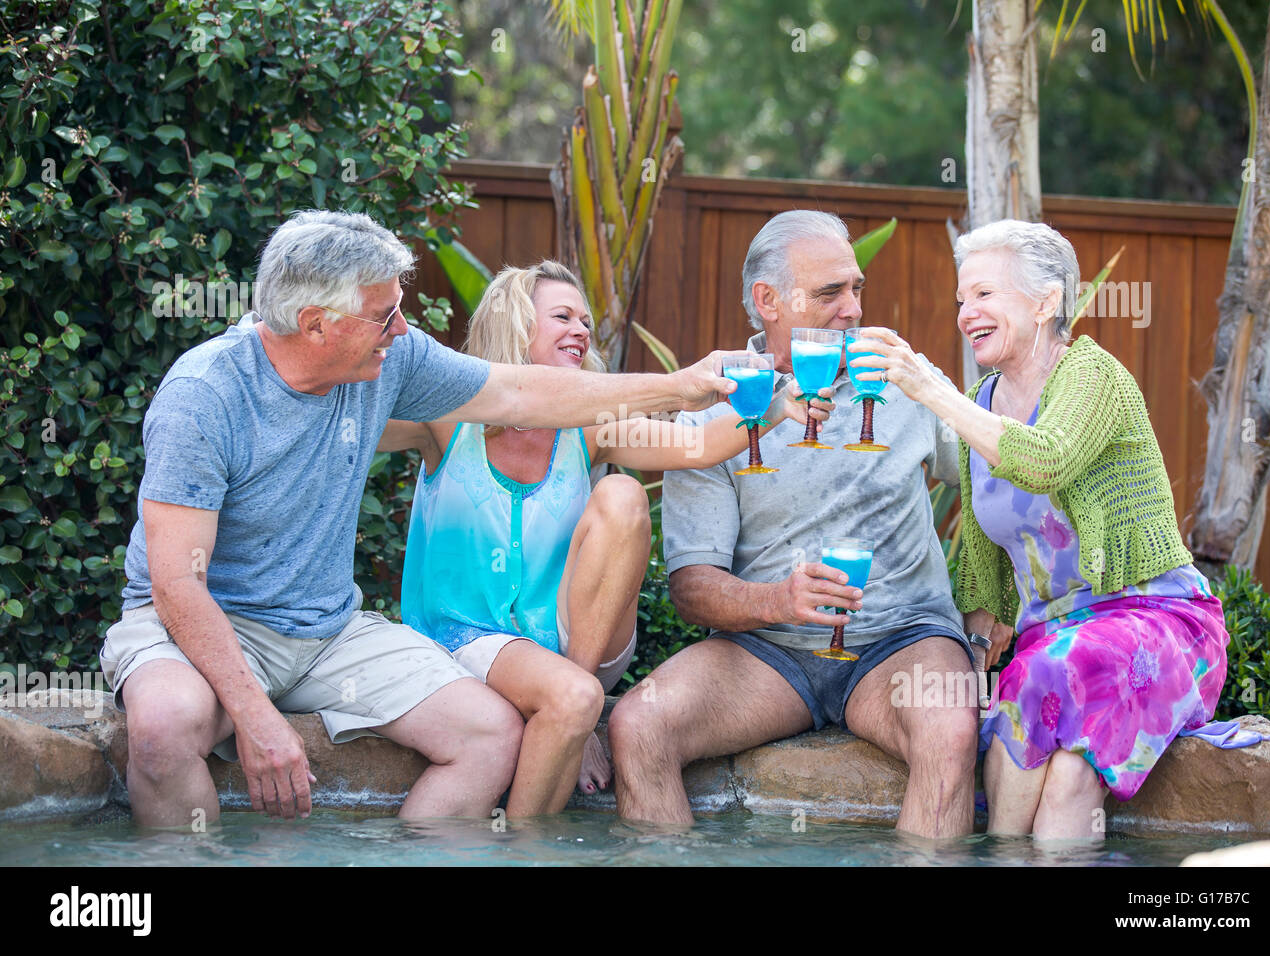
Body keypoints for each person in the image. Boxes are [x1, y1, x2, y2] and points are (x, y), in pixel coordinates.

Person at [99, 211, 739, 827]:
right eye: (384, 315)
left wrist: (679, 386)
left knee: (490, 735)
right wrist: (255, 714)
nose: (403, 328)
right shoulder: (206, 396)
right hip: (204, 622)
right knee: (161, 733)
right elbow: (177, 585)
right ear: (317, 323)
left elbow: (520, 391)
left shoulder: (388, 360)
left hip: (328, 631)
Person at [379, 260, 818, 817]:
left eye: (585, 320)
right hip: (464, 635)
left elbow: (700, 446)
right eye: (562, 316)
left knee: (624, 497)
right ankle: (536, 819)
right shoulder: (447, 420)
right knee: (570, 700)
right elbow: (356, 411)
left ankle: (576, 705)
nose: (582, 330)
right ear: (515, 326)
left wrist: (778, 407)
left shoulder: (591, 428)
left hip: (573, 637)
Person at [849, 218, 1229, 839]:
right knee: (1069, 780)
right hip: (1055, 641)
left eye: (984, 295)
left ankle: (997, 849)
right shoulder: (983, 398)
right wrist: (975, 652)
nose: (965, 313)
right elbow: (982, 561)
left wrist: (931, 392)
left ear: (1047, 301)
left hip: (1157, 620)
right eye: (960, 300)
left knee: (1047, 672)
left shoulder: (1092, 378)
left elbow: (1046, 457)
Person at [608, 210, 982, 839]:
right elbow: (692, 586)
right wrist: (779, 599)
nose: (852, 309)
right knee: (640, 723)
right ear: (768, 301)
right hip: (769, 653)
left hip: (900, 639)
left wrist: (987, 603)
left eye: (855, 288)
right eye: (830, 292)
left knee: (949, 726)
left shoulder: (899, 372)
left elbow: (993, 481)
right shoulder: (719, 400)